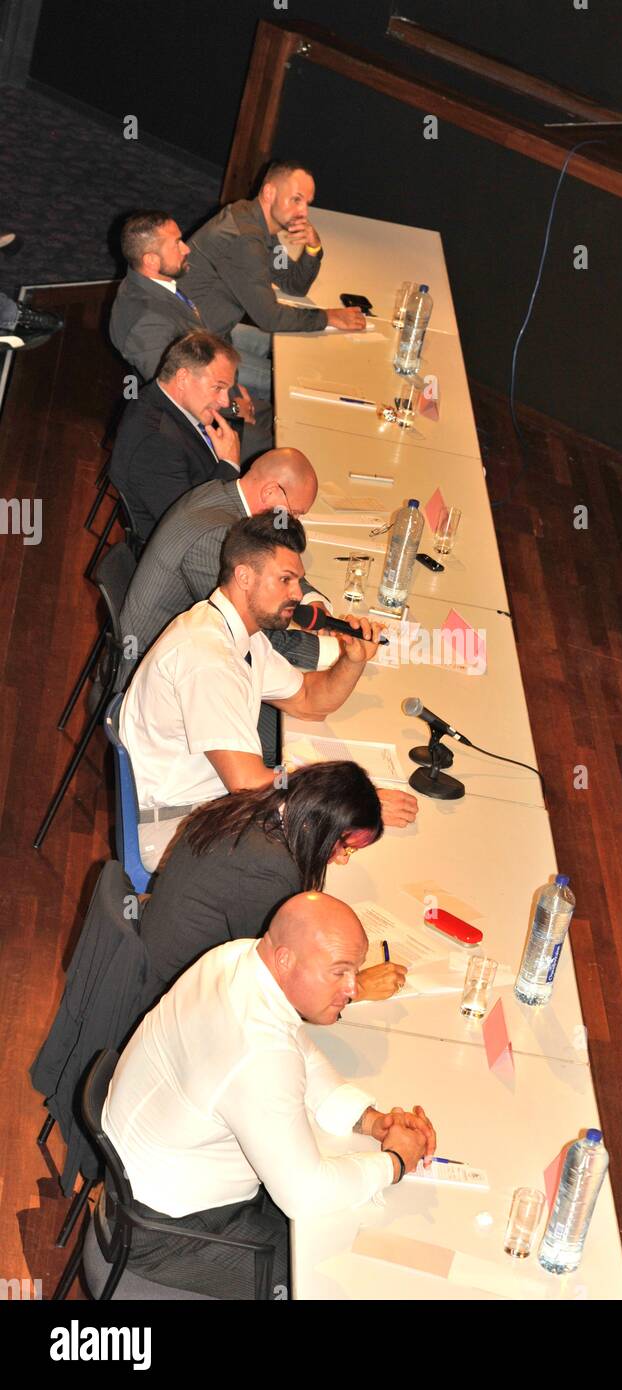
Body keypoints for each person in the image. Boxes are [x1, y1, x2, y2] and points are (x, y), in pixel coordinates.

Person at [103, 892, 436, 1299]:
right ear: (285, 961)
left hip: (145, 1182)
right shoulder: (258, 1054)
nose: (353, 987)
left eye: (356, 971)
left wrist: (368, 1119)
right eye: (339, 972)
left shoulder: (237, 957)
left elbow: (297, 1047)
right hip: (165, 1233)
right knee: (334, 1277)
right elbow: (306, 1195)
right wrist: (395, 1162)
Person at [120, 510, 417, 870]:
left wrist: (353, 660)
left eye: (298, 582)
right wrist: (353, 806)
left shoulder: (239, 634)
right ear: (244, 576)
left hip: (212, 802)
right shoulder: (207, 658)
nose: (297, 594)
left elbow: (309, 702)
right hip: (176, 829)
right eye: (286, 580)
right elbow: (248, 785)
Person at [138, 761, 406, 1005]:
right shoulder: (268, 869)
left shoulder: (249, 806)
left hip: (158, 957)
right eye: (345, 848)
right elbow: (273, 984)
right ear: (318, 825)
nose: (342, 860)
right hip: (175, 995)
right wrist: (355, 987)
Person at [118, 448, 331, 684]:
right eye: (294, 513)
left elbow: (274, 555)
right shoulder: (217, 537)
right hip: (149, 670)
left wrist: (311, 600)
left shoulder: (224, 494)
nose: (293, 522)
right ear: (270, 492)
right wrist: (335, 651)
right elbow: (247, 628)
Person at [184, 161, 365, 398]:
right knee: (294, 383)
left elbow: (293, 283)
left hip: (217, 329)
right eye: (296, 200)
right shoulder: (246, 240)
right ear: (269, 192)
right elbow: (270, 317)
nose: (304, 213)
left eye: (307, 203)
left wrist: (313, 247)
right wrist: (329, 316)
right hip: (194, 349)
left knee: (300, 351)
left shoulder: (257, 223)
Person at [108, 210, 272, 462]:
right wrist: (237, 407)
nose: (186, 249)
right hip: (196, 429)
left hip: (217, 387)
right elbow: (185, 398)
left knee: (276, 416)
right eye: (176, 244)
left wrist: (237, 398)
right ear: (151, 260)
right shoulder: (147, 323)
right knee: (276, 448)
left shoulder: (154, 285)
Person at [109, 330, 242, 542]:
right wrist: (229, 465)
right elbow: (190, 525)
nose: (226, 401)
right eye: (218, 387)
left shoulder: (160, 397)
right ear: (182, 378)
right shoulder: (156, 444)